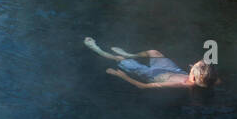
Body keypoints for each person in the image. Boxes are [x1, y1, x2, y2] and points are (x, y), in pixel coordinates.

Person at [83, 38, 220, 90]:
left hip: (151, 75)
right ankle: (129, 54)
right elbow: (215, 80)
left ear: (194, 78)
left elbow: (143, 86)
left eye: (191, 68)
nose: (190, 66)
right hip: (172, 70)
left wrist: (121, 76)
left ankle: (95, 48)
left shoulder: (180, 84)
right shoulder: (210, 80)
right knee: (154, 52)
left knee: (119, 59)